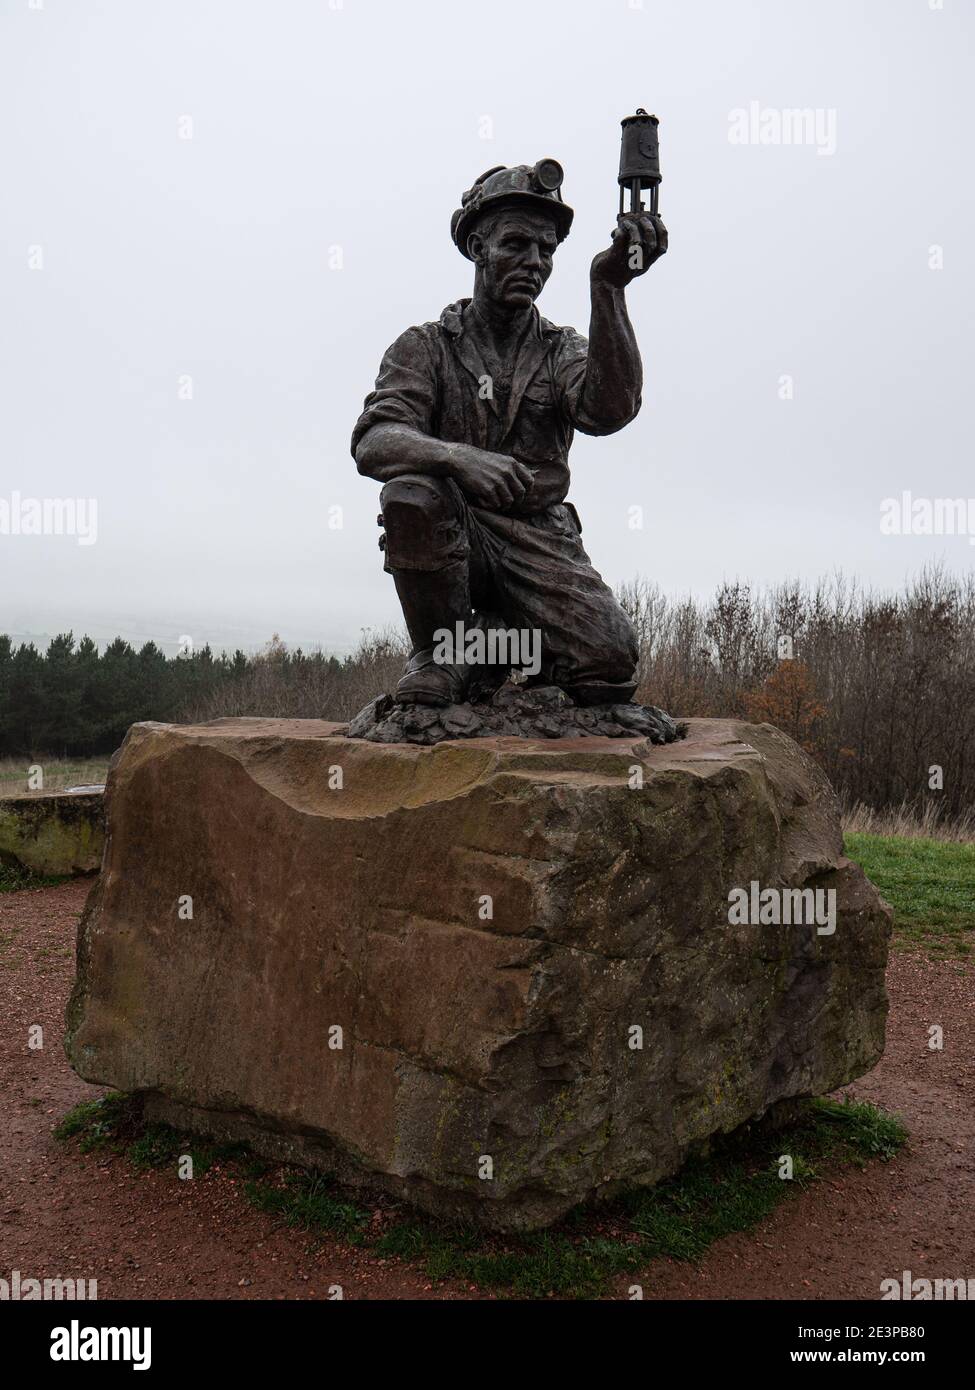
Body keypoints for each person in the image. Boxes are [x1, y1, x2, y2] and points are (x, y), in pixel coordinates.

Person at [352, 160, 667, 706]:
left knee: (609, 663)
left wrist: (609, 287)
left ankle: (494, 644)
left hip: (538, 537)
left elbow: (608, 412)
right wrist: (459, 459)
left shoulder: (560, 349)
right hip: (455, 528)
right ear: (478, 248)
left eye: (546, 250)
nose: (535, 262)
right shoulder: (424, 347)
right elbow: (375, 440)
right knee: (412, 495)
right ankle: (443, 654)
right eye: (516, 244)